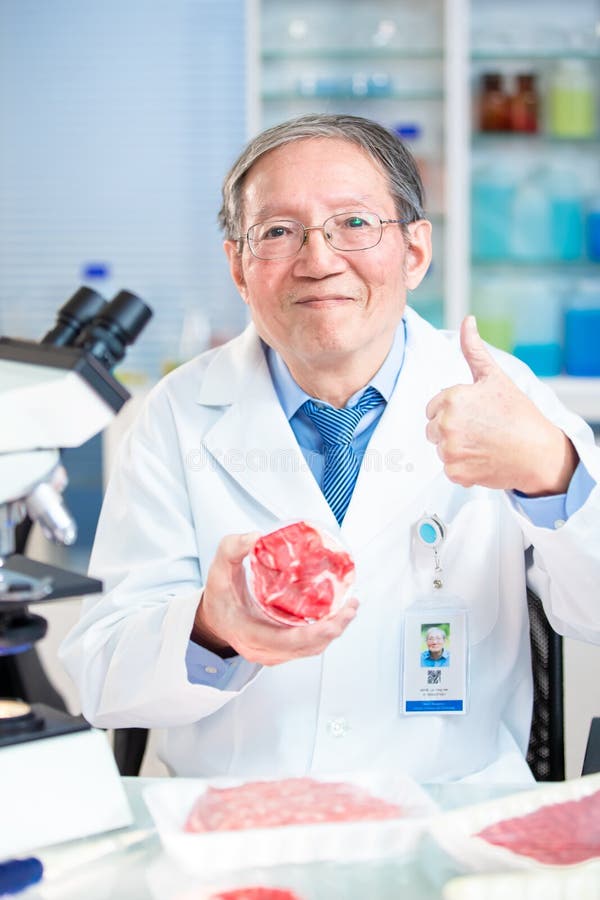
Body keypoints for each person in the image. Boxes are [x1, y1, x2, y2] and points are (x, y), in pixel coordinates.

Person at [61, 113, 600, 783]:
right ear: (238, 266)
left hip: (453, 817)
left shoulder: (501, 394)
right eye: (278, 232)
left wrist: (552, 471)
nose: (318, 262)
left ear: (414, 252)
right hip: (239, 818)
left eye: (355, 223)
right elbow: (100, 676)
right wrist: (212, 628)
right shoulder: (177, 412)